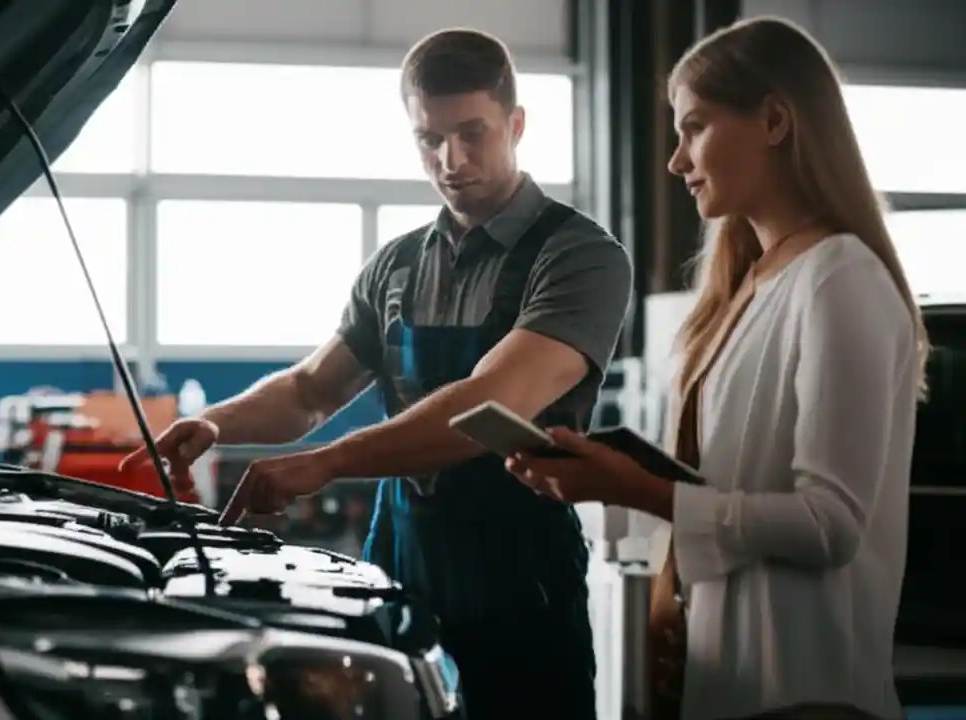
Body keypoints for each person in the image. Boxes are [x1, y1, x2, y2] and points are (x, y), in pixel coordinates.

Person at [120, 28, 633, 719]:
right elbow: (310, 389)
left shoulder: (580, 258)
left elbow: (490, 403)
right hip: (402, 560)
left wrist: (327, 462)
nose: (451, 160)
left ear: (515, 124)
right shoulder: (395, 267)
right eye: (430, 139)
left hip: (520, 576)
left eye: (472, 133)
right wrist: (215, 422)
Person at [503, 16, 926, 720]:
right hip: (732, 688)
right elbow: (726, 493)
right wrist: (614, 482)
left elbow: (829, 525)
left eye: (694, 128)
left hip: (809, 697)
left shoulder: (840, 278)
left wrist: (640, 489)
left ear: (775, 121)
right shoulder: (750, 286)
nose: (676, 161)